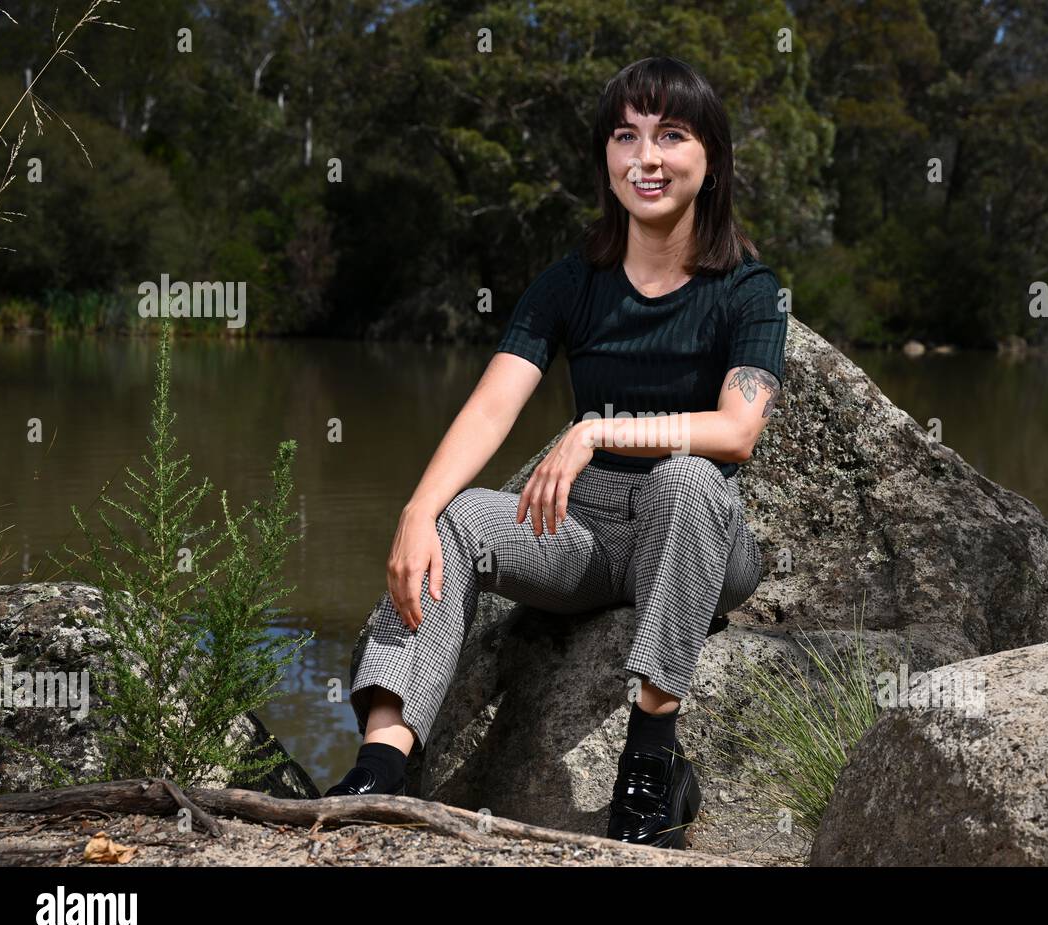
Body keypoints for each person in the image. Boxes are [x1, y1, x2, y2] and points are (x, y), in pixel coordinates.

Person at [326, 55, 787, 851]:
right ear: (605, 157)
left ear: (710, 160)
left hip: (699, 534)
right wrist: (416, 511)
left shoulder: (748, 287)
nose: (645, 158)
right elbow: (492, 406)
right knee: (461, 517)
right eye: (625, 136)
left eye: (671, 136)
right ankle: (382, 764)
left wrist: (598, 429)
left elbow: (736, 431)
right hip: (587, 539)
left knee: (683, 480)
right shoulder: (573, 281)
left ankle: (650, 765)